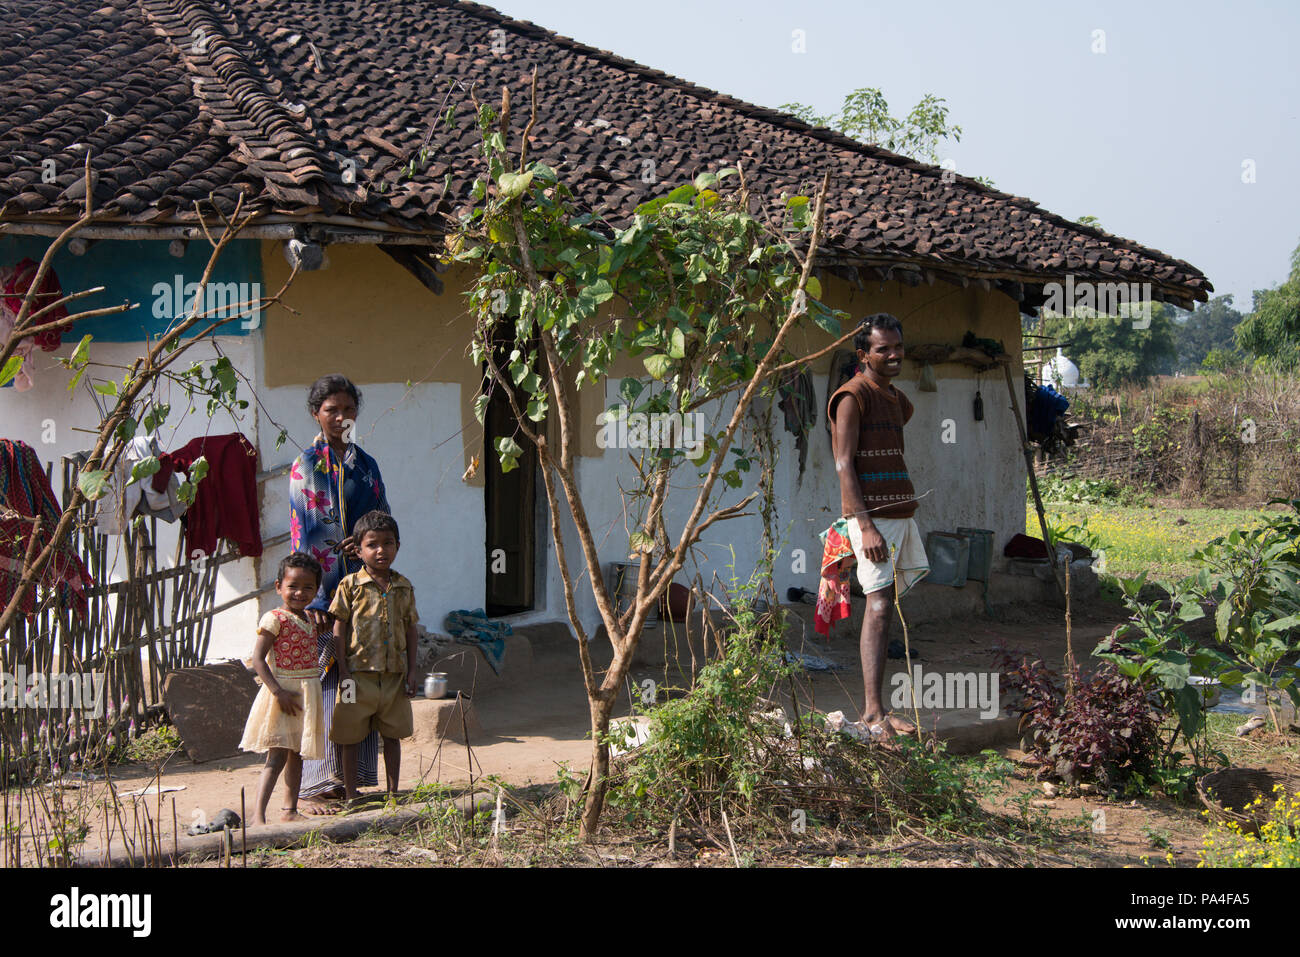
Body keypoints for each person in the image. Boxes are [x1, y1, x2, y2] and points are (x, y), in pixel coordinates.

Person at [289, 374, 390, 812]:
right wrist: (314, 600)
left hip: (363, 590)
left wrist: (366, 538)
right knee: (325, 681)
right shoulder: (306, 465)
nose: (341, 416)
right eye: (332, 409)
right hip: (325, 596)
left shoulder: (367, 465)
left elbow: (383, 519)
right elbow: (304, 532)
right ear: (317, 414)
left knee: (358, 679)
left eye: (349, 409)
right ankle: (316, 786)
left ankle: (355, 779)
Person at [827, 313, 930, 740]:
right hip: (873, 520)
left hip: (900, 513)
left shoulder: (895, 398)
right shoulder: (852, 396)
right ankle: (872, 713)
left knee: (888, 605)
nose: (892, 355)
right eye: (882, 348)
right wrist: (863, 524)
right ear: (862, 354)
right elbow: (843, 463)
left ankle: (879, 709)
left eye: (897, 347)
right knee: (879, 606)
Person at [328, 510, 419, 801]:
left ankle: (393, 795)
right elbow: (338, 628)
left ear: (398, 546)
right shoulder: (350, 585)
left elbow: (411, 628)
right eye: (372, 544)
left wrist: (412, 671)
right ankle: (352, 796)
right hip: (355, 677)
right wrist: (342, 670)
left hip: (394, 677)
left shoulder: (404, 587)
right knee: (349, 736)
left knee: (392, 736)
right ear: (358, 549)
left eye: (388, 543)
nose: (381, 550)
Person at [239, 552, 327, 824]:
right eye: (293, 586)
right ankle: (259, 816)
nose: (300, 592)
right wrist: (278, 693)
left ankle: (289, 811)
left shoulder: (309, 619)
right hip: (283, 694)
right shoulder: (274, 618)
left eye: (308, 587)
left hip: (306, 694)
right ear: (278, 587)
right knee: (276, 757)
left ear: (316, 589)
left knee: (297, 755)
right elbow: (257, 659)